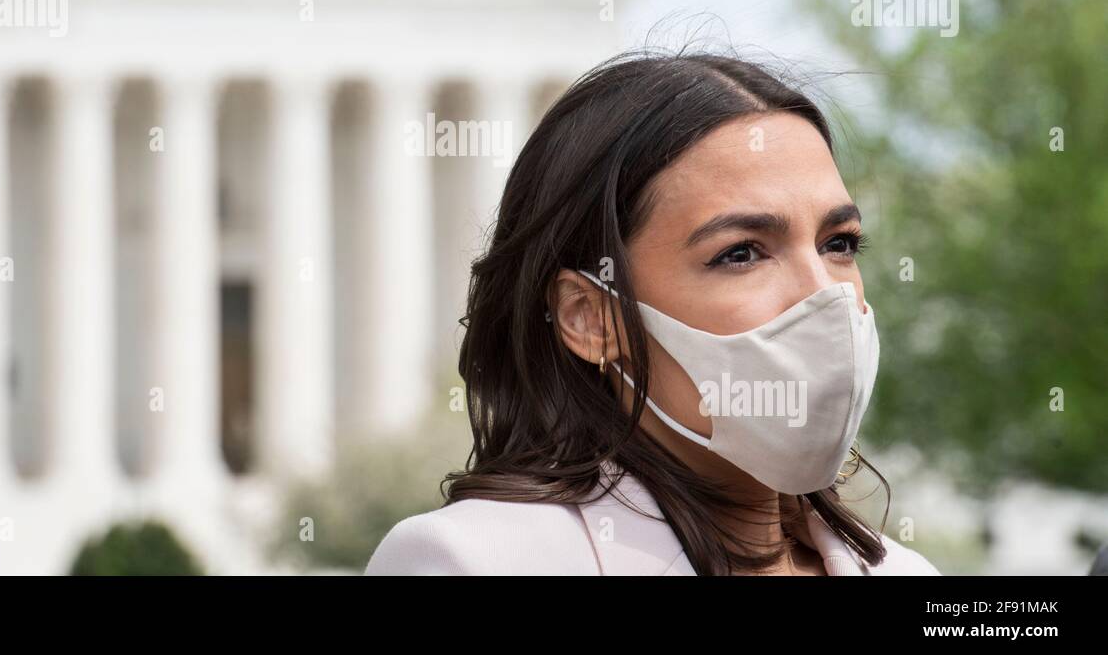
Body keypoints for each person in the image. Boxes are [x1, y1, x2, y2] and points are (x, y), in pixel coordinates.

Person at [365, 48, 942, 576]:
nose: (824, 295)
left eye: (838, 243)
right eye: (741, 253)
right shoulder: (473, 563)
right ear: (590, 317)